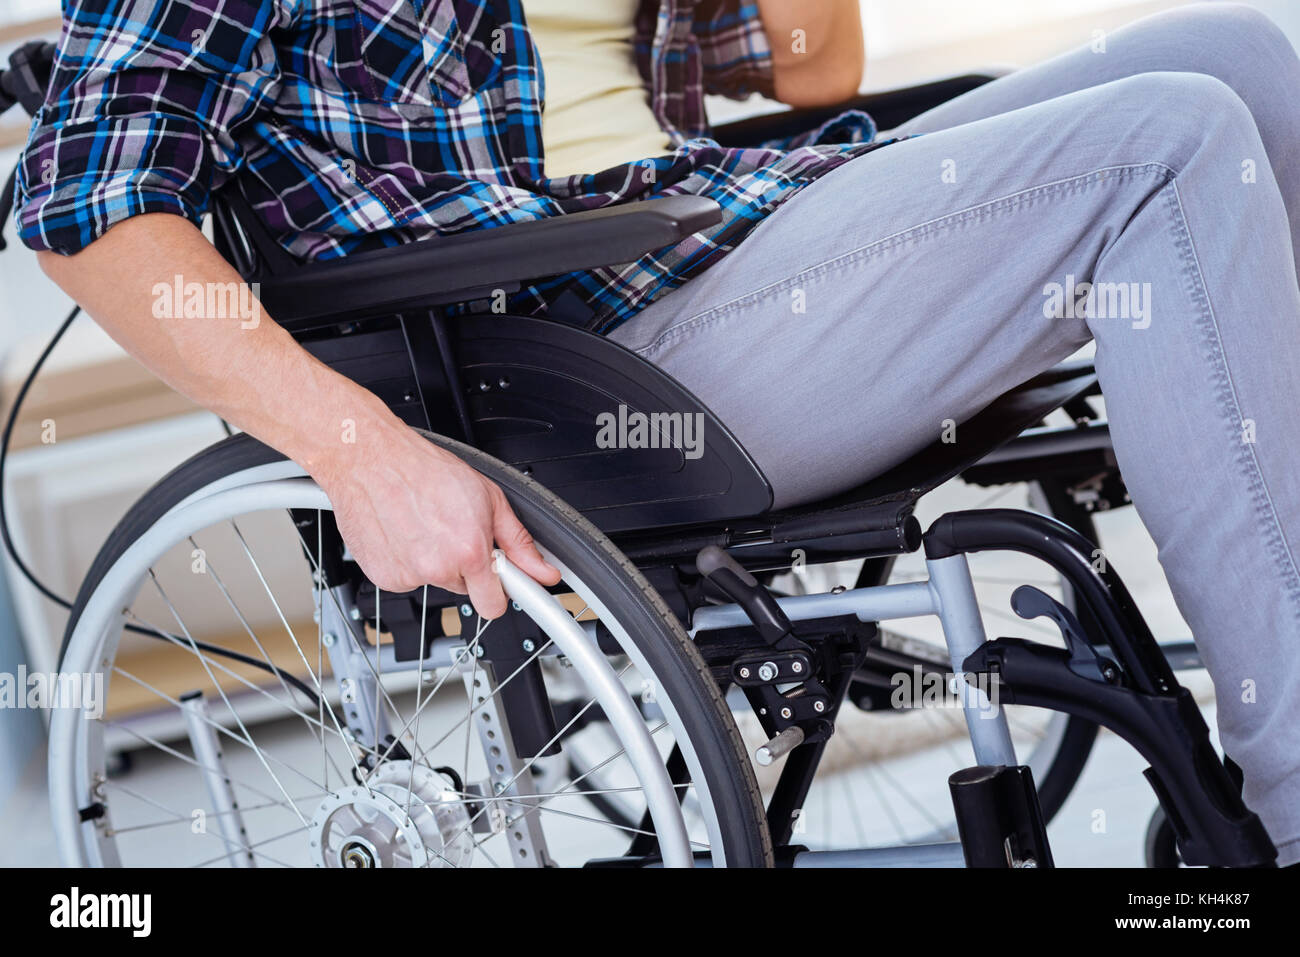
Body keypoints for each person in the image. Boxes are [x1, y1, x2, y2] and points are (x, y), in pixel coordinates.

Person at [18, 0, 1300, 865]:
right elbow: (86, 200)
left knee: (1237, 51)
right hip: (568, 363)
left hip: (728, 230)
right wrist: (355, 449)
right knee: (1170, 144)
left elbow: (812, 68)